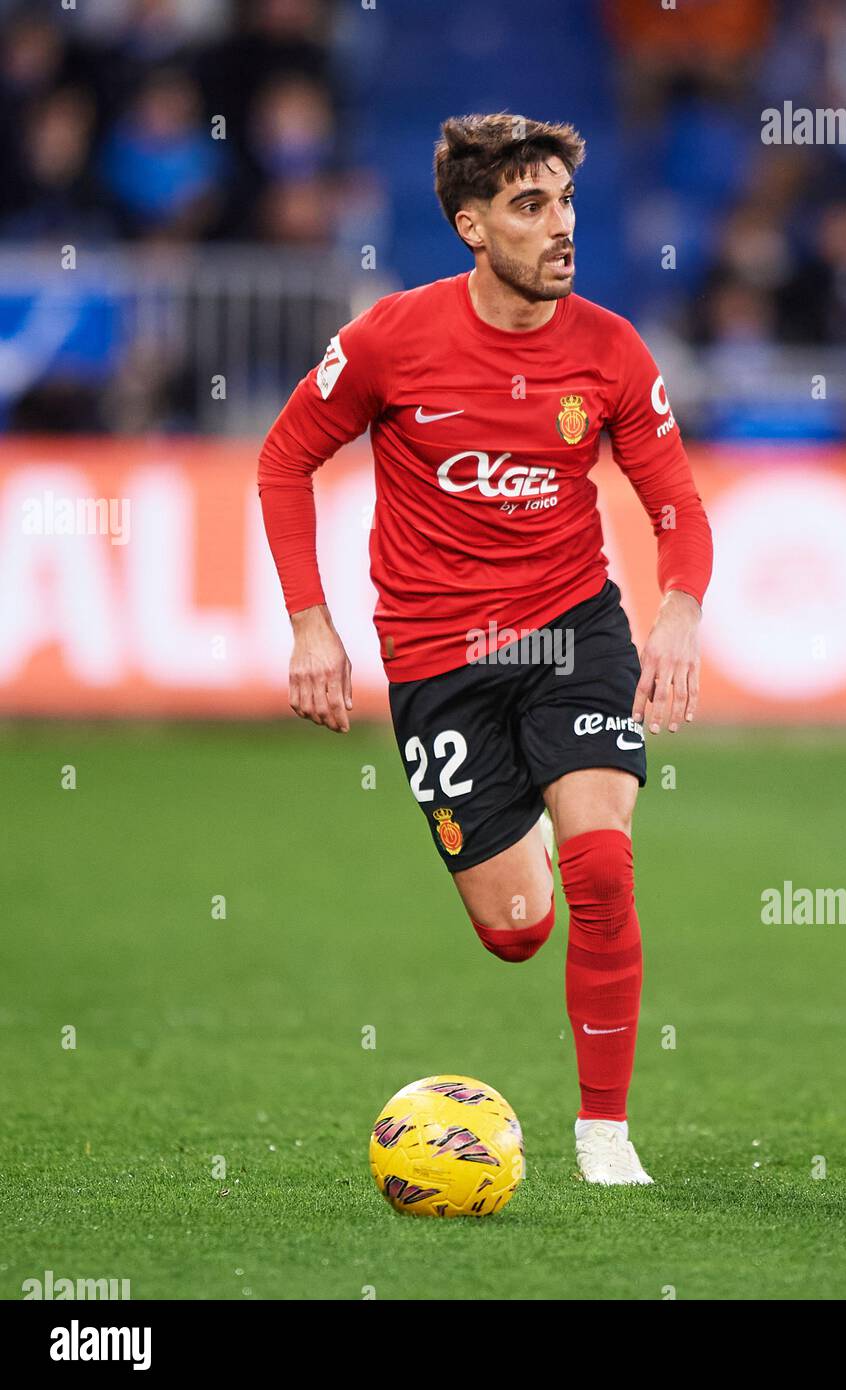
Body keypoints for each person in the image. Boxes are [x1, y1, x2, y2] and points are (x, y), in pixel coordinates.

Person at [258, 113, 712, 1186]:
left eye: (562, 202)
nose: (559, 227)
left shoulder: (609, 348)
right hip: (435, 654)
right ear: (469, 224)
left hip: (572, 632)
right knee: (516, 930)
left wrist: (681, 610)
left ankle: (603, 1134)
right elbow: (283, 462)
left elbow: (675, 504)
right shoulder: (387, 341)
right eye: (527, 206)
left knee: (603, 861)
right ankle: (530, 837)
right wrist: (310, 624)